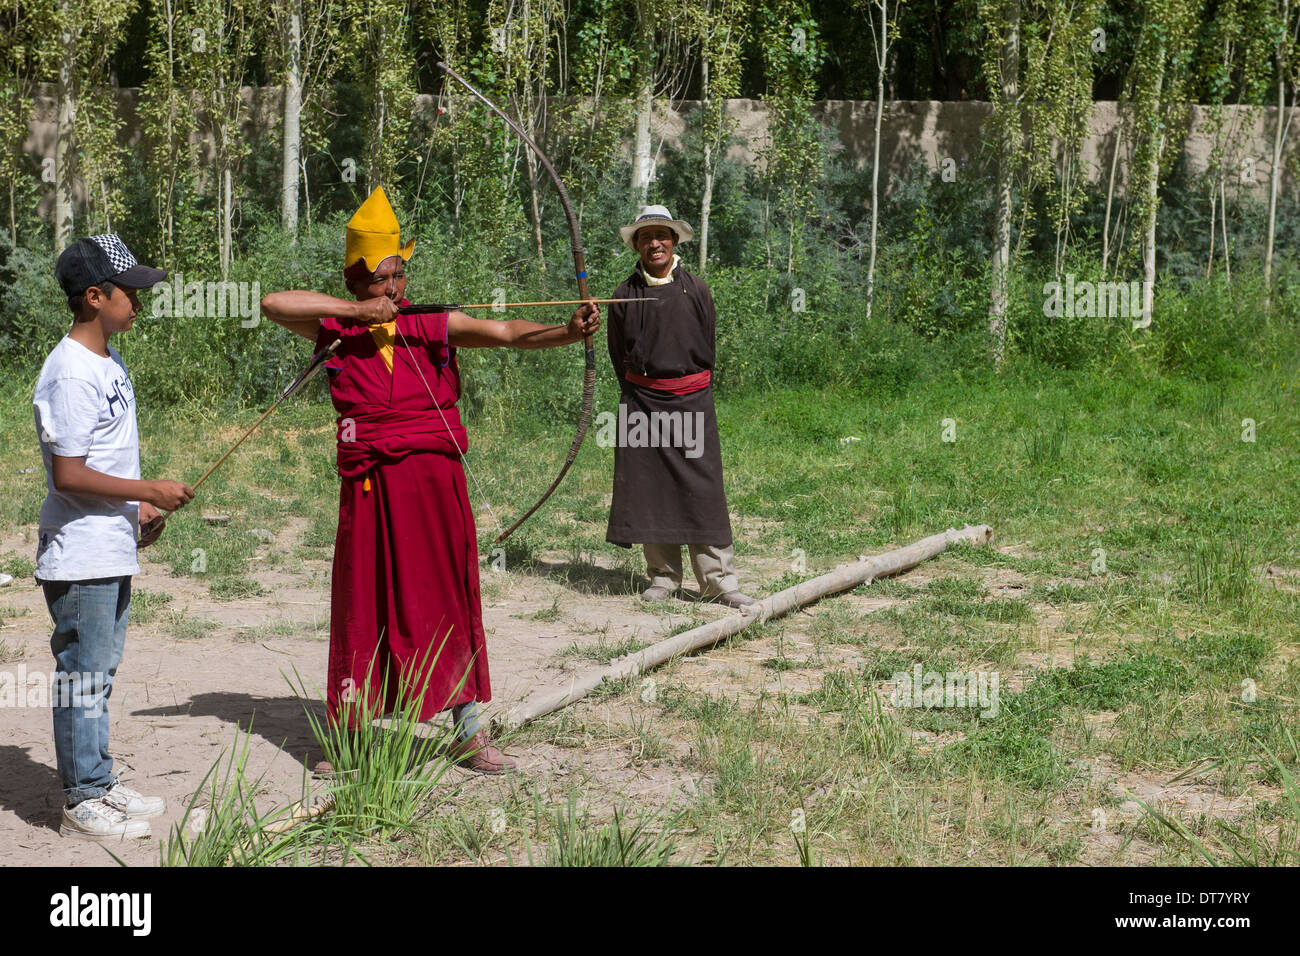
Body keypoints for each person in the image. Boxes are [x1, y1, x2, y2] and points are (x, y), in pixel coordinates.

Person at [261, 187, 599, 774]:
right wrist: (358, 315)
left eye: (399, 275)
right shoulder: (336, 328)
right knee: (364, 598)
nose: (393, 288)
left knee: (445, 593)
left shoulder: (431, 323)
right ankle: (351, 737)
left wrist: (567, 331)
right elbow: (272, 303)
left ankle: (466, 727)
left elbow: (506, 332)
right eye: (380, 278)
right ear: (356, 280)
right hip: (370, 482)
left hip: (434, 481)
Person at [35, 234, 195, 841]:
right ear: (95, 297)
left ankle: (98, 781)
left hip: (108, 543)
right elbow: (68, 473)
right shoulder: (71, 372)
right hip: (80, 553)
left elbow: (101, 461)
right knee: (83, 673)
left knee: (99, 670)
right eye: (129, 291)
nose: (139, 301)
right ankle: (82, 799)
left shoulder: (108, 361)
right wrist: (147, 488)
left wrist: (136, 508)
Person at [605, 205, 756, 609]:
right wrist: (642, 394)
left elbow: (707, 348)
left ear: (674, 241)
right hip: (642, 403)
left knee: (703, 490)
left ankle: (718, 581)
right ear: (636, 246)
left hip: (693, 401)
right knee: (650, 487)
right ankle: (663, 577)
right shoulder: (623, 295)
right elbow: (618, 354)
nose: (655, 243)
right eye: (646, 237)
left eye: (662, 236)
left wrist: (687, 390)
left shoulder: (697, 289)